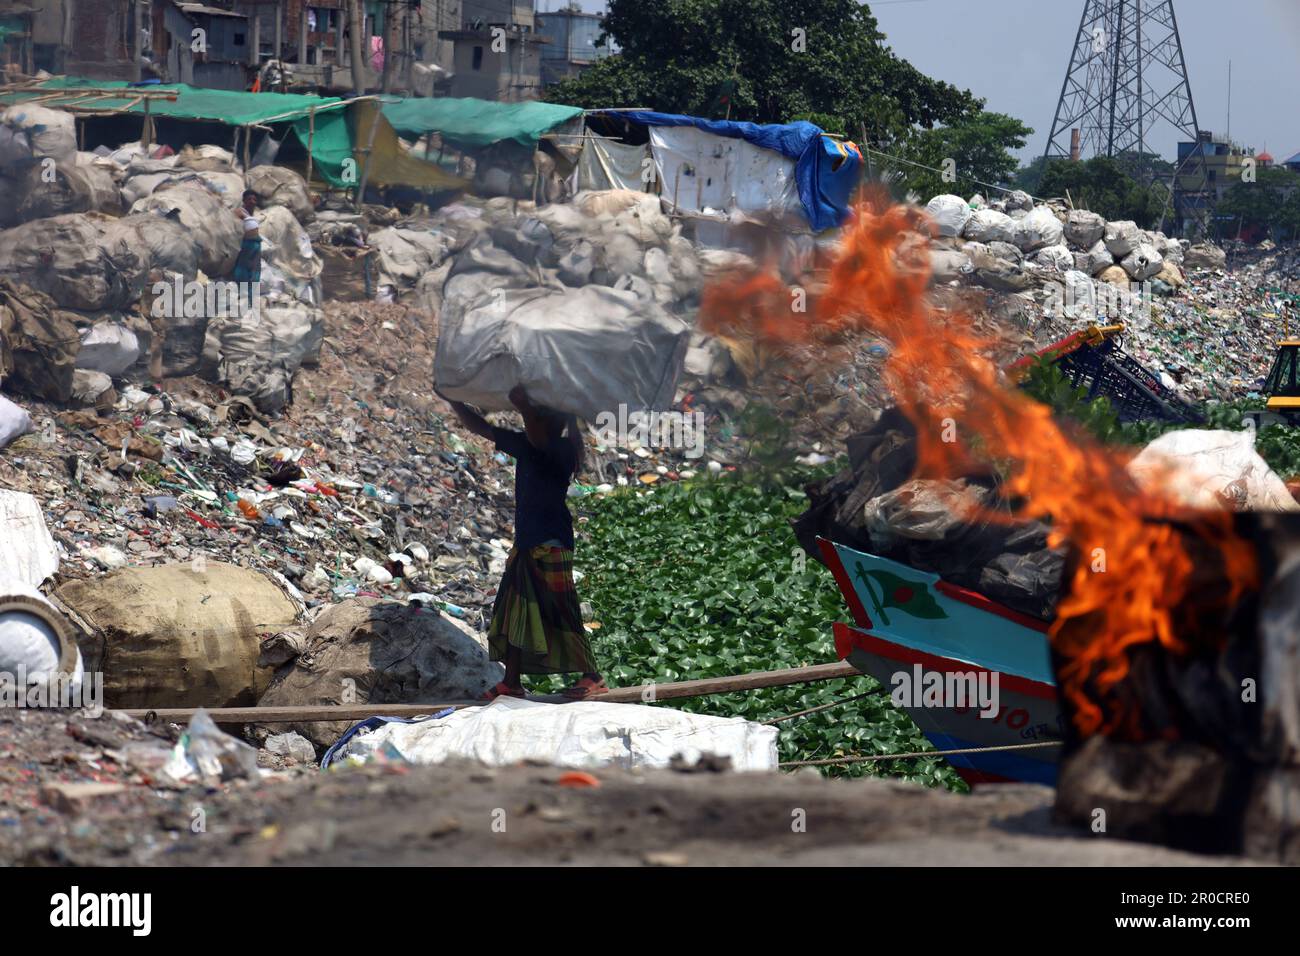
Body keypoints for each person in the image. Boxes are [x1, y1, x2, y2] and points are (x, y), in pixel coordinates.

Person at [447, 386, 605, 701]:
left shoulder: (561, 451)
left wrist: (523, 407)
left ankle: (593, 676)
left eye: (535, 417)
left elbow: (537, 435)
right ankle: (512, 681)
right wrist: (451, 399)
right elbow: (479, 427)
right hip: (528, 542)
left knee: (561, 609)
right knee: (512, 609)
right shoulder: (528, 446)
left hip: (552, 542)